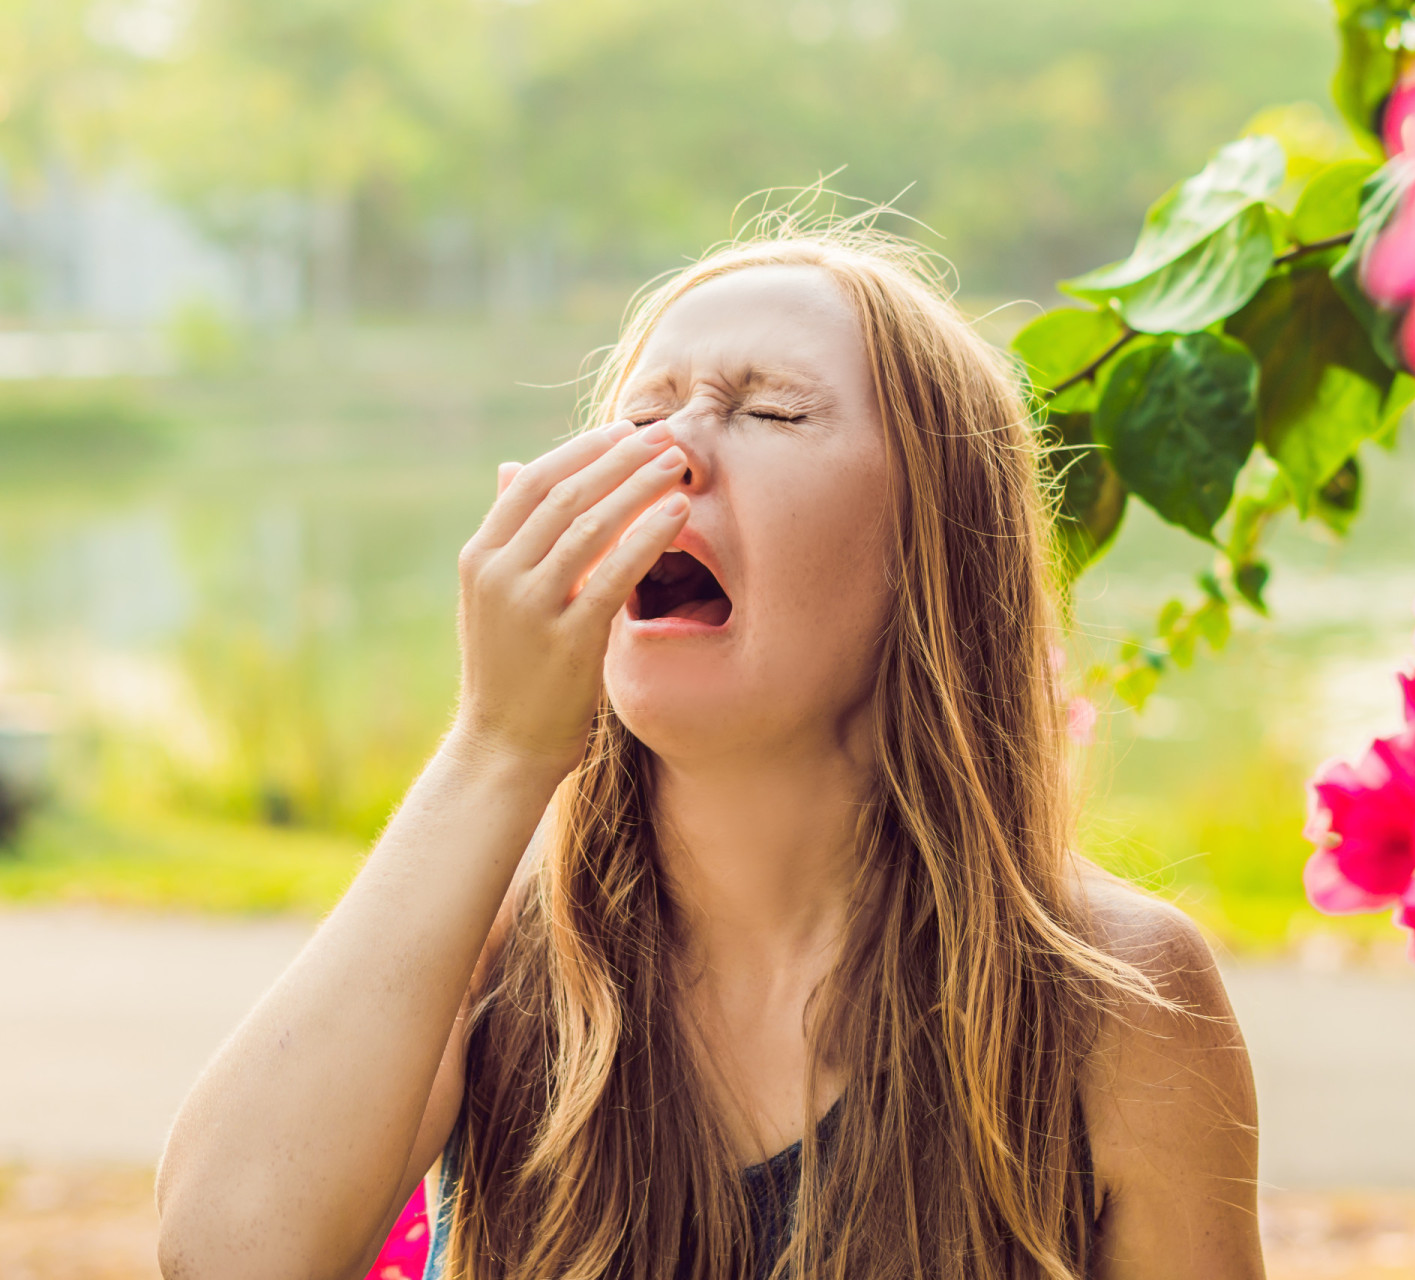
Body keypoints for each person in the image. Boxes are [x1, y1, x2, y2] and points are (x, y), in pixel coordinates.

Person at [154, 218, 1262, 1280]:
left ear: (935, 548)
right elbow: (231, 1252)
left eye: (772, 412)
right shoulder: (494, 942)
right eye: (637, 416)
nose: (664, 456)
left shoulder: (1111, 996)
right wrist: (497, 749)